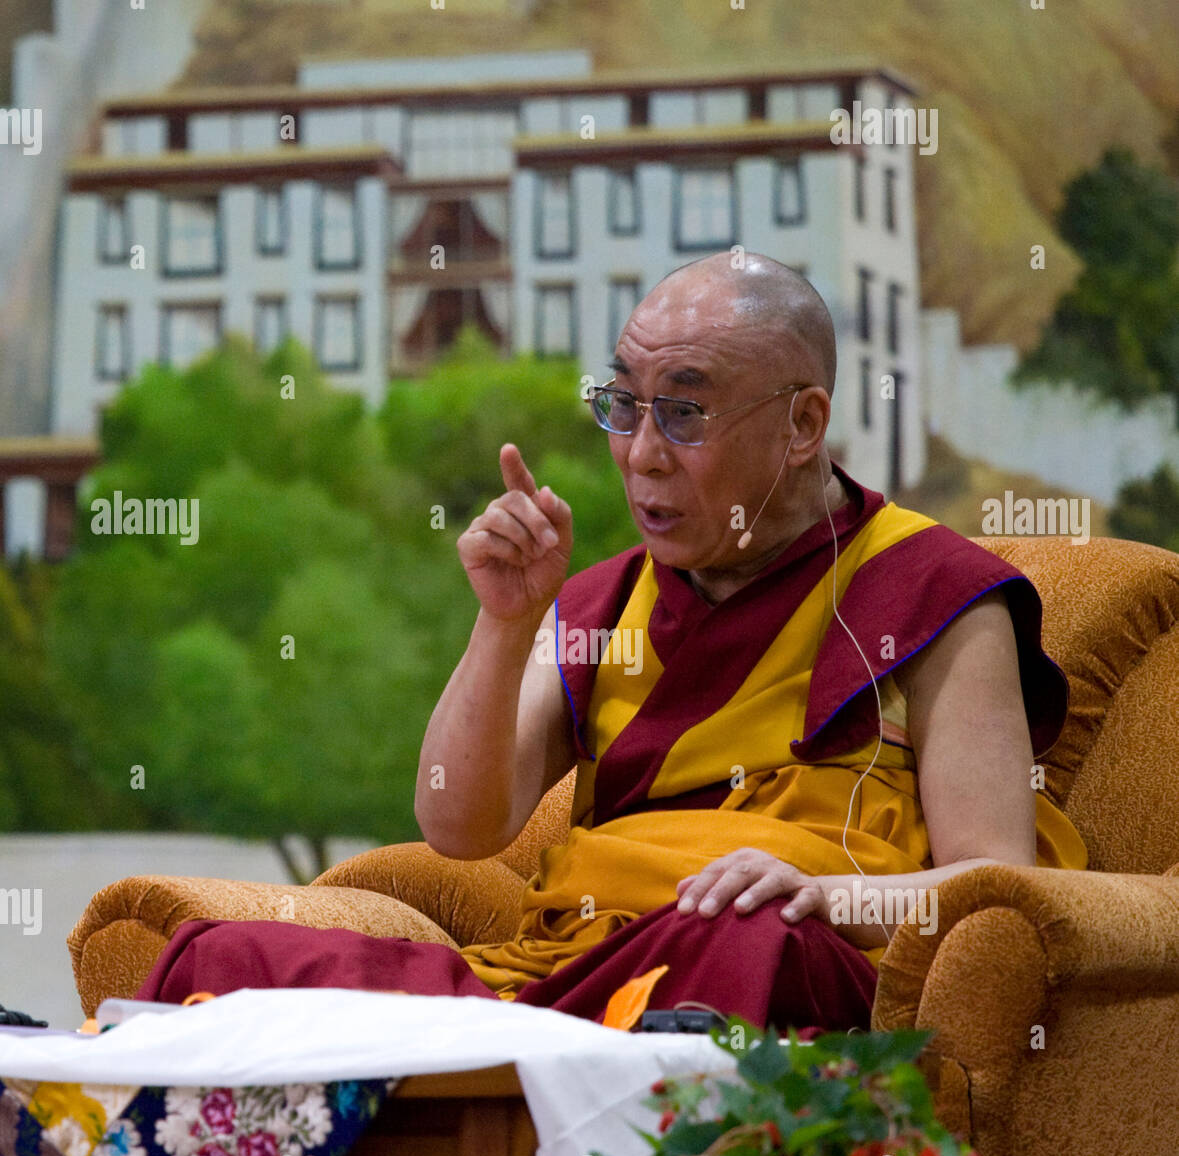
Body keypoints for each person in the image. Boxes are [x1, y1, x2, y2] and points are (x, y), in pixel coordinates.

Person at [137, 252, 1088, 1032]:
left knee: (745, 940)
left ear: (804, 424)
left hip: (761, 961)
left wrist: (822, 895)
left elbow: (992, 882)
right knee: (230, 958)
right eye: (621, 404)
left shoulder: (933, 594)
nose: (639, 452)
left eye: (683, 411)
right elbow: (457, 826)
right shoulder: (602, 606)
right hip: (569, 982)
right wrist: (505, 623)